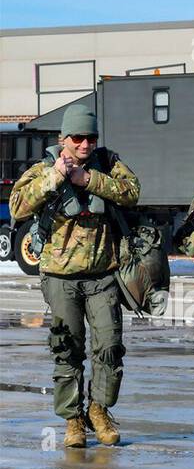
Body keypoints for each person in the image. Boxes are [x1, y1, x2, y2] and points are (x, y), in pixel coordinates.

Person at [9, 105, 140, 447]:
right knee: (67, 349)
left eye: (91, 137)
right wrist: (55, 178)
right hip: (60, 276)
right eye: (78, 138)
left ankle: (99, 410)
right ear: (63, 139)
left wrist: (88, 180)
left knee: (109, 346)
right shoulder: (43, 168)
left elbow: (132, 191)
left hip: (102, 276)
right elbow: (17, 206)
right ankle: (73, 420)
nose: (85, 144)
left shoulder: (107, 164)